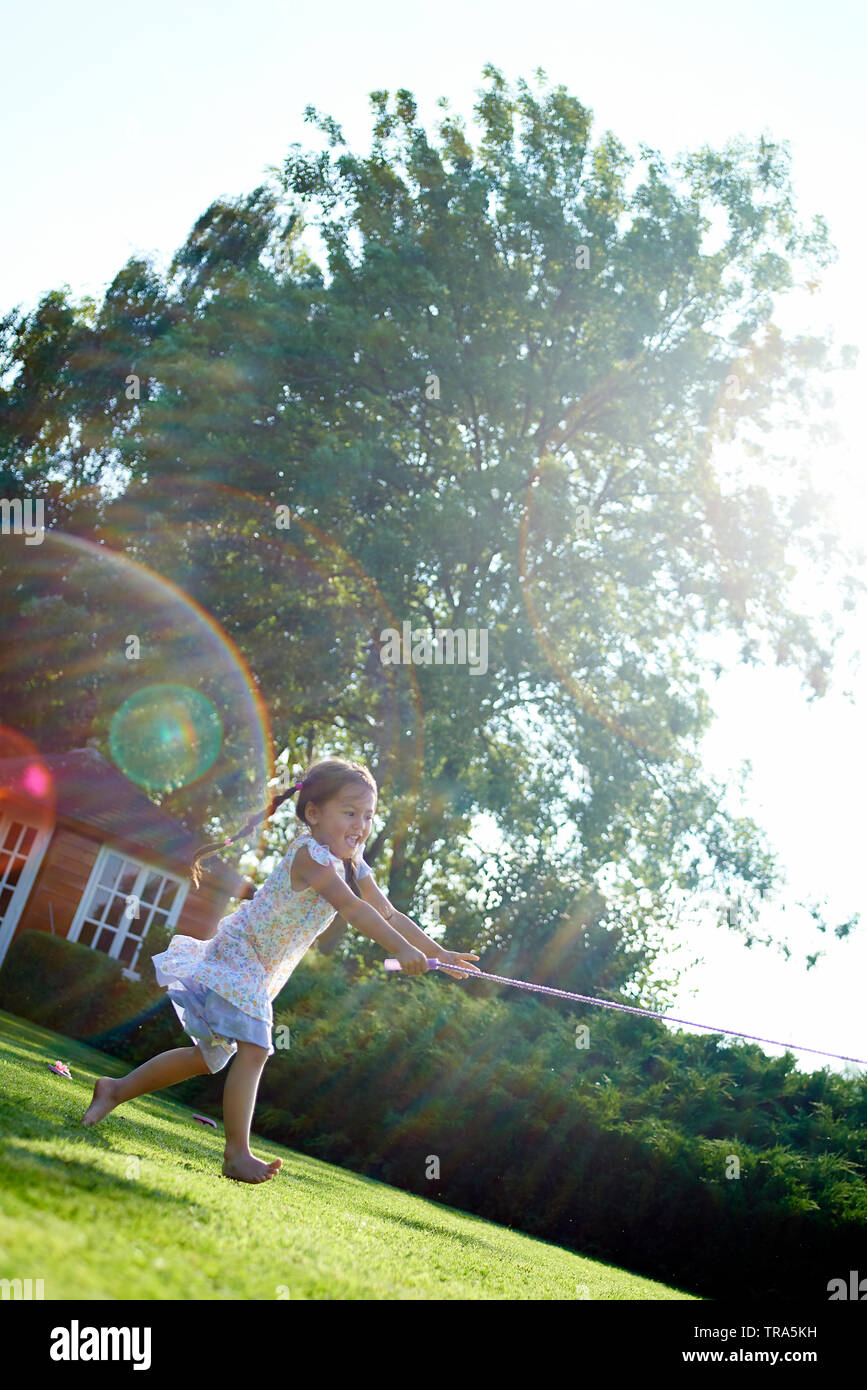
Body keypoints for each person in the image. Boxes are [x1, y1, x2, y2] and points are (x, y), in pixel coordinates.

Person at [81, 757, 480, 1183]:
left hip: (261, 966)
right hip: (242, 953)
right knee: (256, 1047)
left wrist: (439, 952)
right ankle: (237, 1154)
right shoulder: (310, 855)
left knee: (209, 1057)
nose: (360, 825)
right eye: (350, 812)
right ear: (314, 813)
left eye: (368, 816)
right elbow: (352, 909)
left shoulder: (354, 862)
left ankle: (115, 1089)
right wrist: (401, 952)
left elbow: (388, 911)